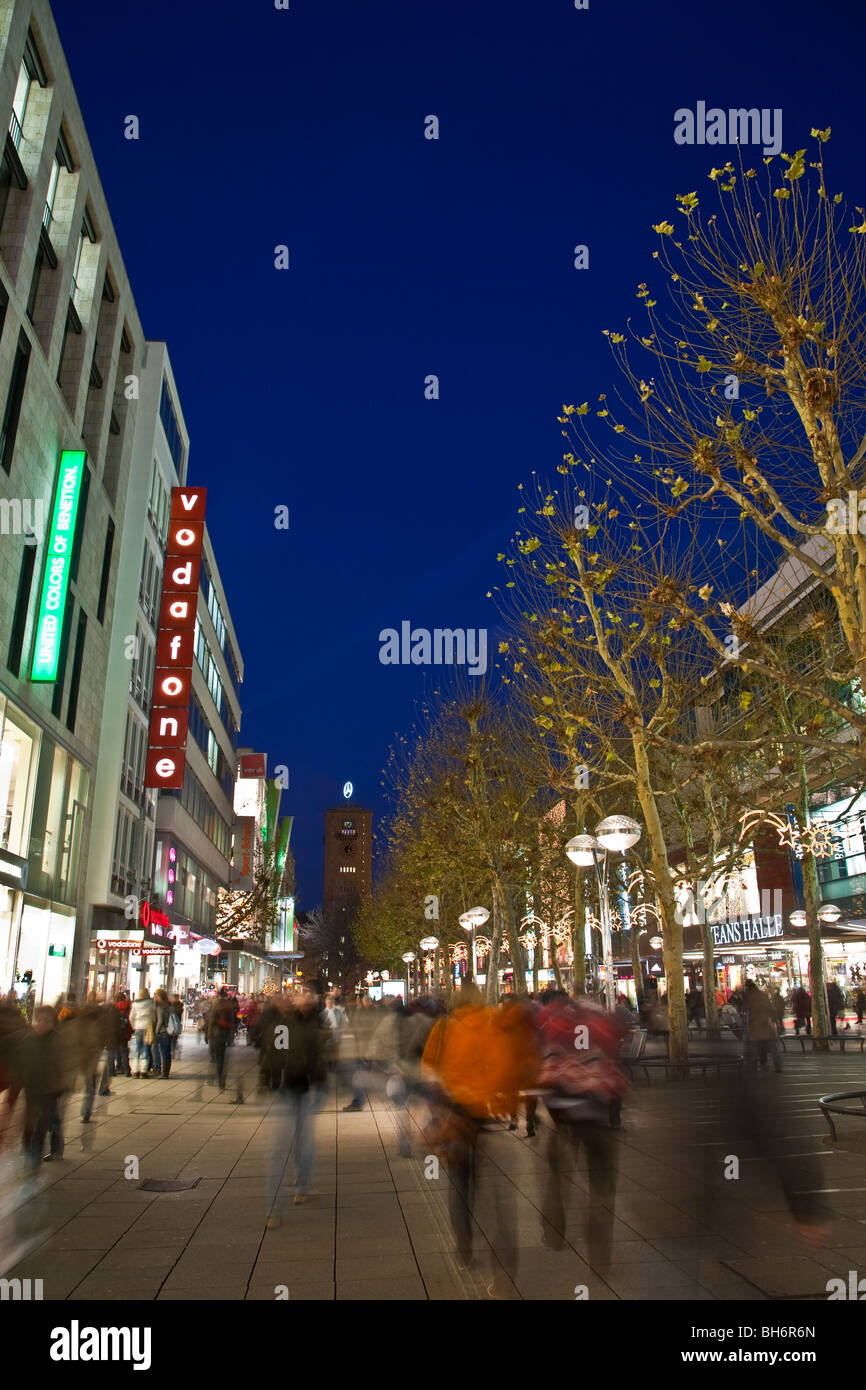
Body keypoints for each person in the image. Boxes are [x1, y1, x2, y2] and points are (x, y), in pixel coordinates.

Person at [421, 982, 521, 1275]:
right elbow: (507, 1070)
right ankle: (500, 1261)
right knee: (492, 1189)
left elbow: (428, 1069)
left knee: (459, 1184)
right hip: (484, 1119)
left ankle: (464, 1249)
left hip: (455, 1118)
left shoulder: (443, 1029)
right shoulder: (493, 1028)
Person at [536, 990, 628, 1271]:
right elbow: (616, 1068)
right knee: (601, 1188)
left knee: (557, 1177)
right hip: (597, 1118)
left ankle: (554, 1234)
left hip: (564, 1117)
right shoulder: (603, 1025)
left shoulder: (557, 1025)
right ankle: (600, 1256)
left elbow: (548, 1071)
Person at [260, 989, 326, 1222]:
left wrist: (319, 1079)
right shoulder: (282, 1025)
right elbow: (270, 1052)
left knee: (304, 1144)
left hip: (305, 1089)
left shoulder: (312, 1024)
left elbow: (318, 1055)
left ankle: (302, 1186)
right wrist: (267, 1079)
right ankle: (274, 1208)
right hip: (285, 1089)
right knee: (279, 1150)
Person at [18, 1006, 72, 1167]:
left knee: (42, 1125)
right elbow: (21, 1062)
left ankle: (34, 1160)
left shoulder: (59, 1041)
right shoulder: (28, 1039)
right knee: (29, 1123)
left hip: (50, 1090)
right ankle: (28, 1152)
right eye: (39, 1020)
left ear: (52, 1023)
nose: (42, 1024)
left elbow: (64, 1065)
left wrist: (61, 1086)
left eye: (46, 1021)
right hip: (32, 1088)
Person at [743, 979, 782, 1071]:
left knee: (753, 1047)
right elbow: (771, 1009)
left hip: (754, 1026)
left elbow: (746, 1011)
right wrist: (776, 1022)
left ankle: (753, 1066)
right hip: (766, 1025)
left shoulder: (748, 997)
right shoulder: (763, 995)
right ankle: (778, 1066)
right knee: (774, 1048)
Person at [207, 988, 236, 1090]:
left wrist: (208, 1034)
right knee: (222, 1059)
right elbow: (233, 1020)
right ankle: (221, 1082)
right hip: (225, 1034)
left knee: (214, 1057)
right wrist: (231, 1036)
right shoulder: (229, 1006)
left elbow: (211, 1020)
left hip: (215, 1034)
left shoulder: (216, 1005)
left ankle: (214, 1078)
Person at [130, 988, 156, 1077]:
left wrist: (134, 1025)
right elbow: (153, 1015)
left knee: (137, 1049)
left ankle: (135, 1070)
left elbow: (131, 1017)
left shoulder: (135, 1004)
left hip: (138, 1027)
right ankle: (143, 1071)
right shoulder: (151, 1003)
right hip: (147, 1027)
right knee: (145, 1049)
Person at [153, 989, 173, 1079]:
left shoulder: (160, 1007)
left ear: (160, 997)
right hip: (170, 1031)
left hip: (163, 1031)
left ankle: (164, 1073)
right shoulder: (169, 1006)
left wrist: (156, 1031)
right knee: (167, 1052)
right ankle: (166, 1072)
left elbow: (160, 1021)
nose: (154, 998)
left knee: (164, 1052)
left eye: (156, 996)